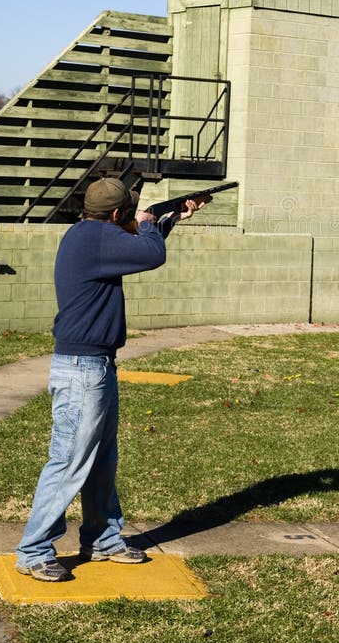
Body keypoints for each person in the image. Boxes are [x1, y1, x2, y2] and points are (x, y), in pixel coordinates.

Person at [16, 177, 206, 582]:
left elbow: (138, 248)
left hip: (96, 366)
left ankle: (102, 538)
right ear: (118, 214)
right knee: (69, 460)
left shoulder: (88, 235)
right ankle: (34, 550)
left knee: (101, 460)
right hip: (84, 370)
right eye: (130, 212)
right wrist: (151, 221)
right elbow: (151, 254)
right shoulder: (97, 239)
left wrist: (172, 216)